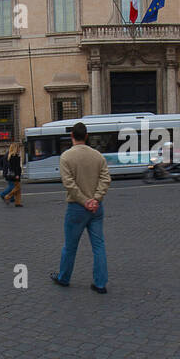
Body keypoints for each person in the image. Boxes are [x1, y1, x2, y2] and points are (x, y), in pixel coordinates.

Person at [52, 122, 108, 294]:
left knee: (70, 246)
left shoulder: (66, 157)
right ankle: (100, 284)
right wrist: (95, 199)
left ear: (72, 136)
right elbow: (105, 179)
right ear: (86, 136)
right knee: (99, 246)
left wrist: (84, 201)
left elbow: (69, 184)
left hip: (77, 208)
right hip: (96, 208)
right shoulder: (98, 156)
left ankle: (64, 278)